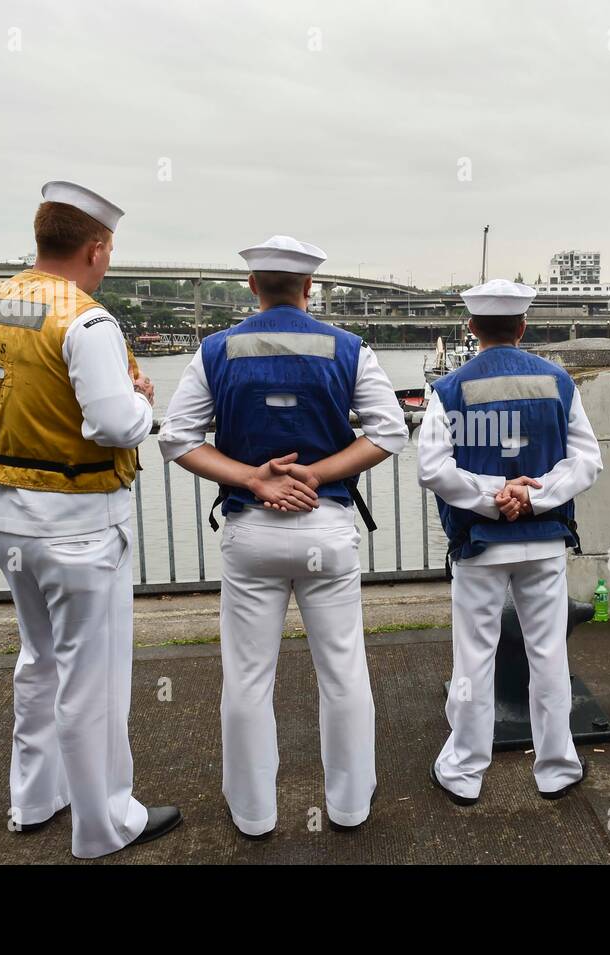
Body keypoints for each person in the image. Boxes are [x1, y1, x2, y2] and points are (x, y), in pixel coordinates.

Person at [0, 181, 181, 858]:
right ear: (96, 249)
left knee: (38, 661)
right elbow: (113, 423)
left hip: (5, 520)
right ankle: (105, 823)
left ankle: (33, 798)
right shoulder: (85, 318)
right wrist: (140, 399)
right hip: (80, 525)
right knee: (92, 678)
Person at [159, 235, 408, 837]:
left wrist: (254, 478)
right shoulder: (349, 348)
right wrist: (315, 475)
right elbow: (390, 430)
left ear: (251, 285)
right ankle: (349, 806)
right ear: (309, 287)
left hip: (252, 529)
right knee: (343, 670)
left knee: (247, 677)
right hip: (325, 525)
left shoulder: (215, 350)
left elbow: (177, 437)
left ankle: (253, 813)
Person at [420, 279, 603, 805]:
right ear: (523, 327)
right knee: (547, 655)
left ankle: (464, 771)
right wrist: (535, 499)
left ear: (472, 328)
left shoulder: (449, 388)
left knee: (474, 655)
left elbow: (433, 469)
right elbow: (587, 461)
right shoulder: (558, 382)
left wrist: (491, 497)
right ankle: (558, 768)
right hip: (544, 542)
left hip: (480, 544)